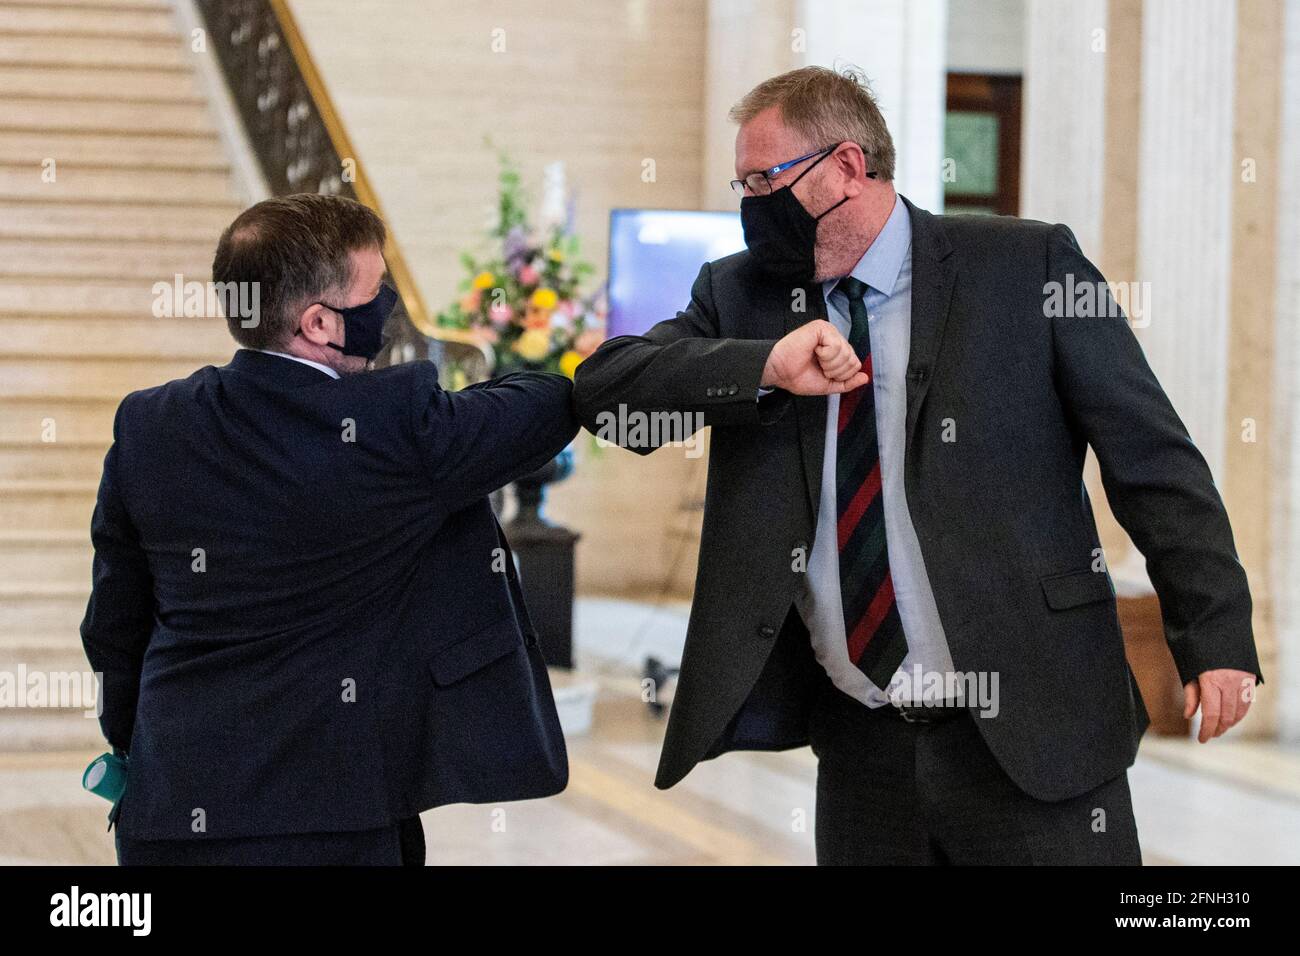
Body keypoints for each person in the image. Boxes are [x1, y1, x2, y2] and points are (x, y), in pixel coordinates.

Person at [572, 66, 1263, 865]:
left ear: (847, 167)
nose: (751, 205)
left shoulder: (1026, 267)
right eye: (743, 183)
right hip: (862, 747)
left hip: (1037, 731)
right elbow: (605, 393)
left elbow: (1154, 460)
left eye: (767, 180)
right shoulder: (742, 296)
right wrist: (764, 364)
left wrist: (1214, 635)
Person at [82, 193, 576, 865]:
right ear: (319, 323)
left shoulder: (150, 423)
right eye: (376, 298)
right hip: (332, 819)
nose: (387, 315)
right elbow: (544, 405)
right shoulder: (396, 426)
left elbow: (114, 623)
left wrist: (138, 745)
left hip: (173, 811)